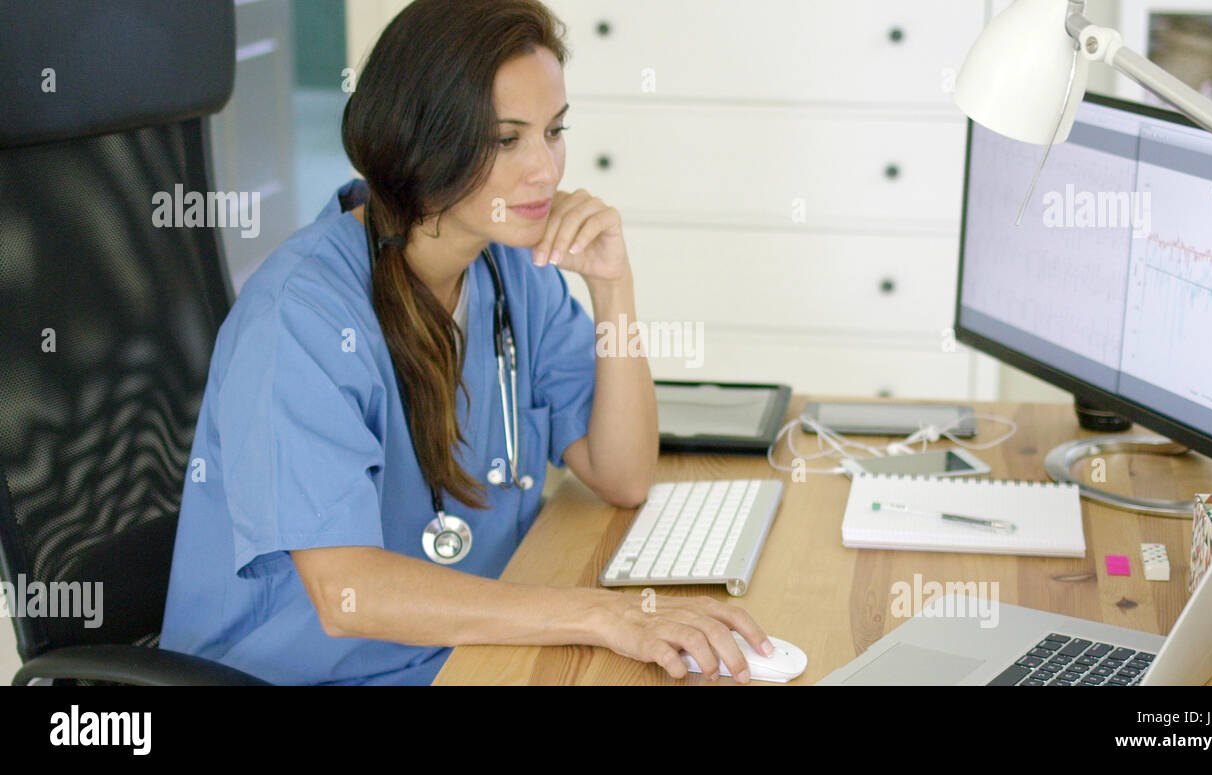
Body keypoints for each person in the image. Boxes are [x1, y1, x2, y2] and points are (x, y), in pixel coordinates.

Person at [160, 0, 773, 685]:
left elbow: (622, 474)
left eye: (554, 130)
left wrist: (613, 284)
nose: (544, 169)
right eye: (506, 140)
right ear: (420, 142)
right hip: (311, 674)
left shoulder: (509, 267)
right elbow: (345, 593)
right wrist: (598, 614)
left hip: (465, 649)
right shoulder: (299, 317)